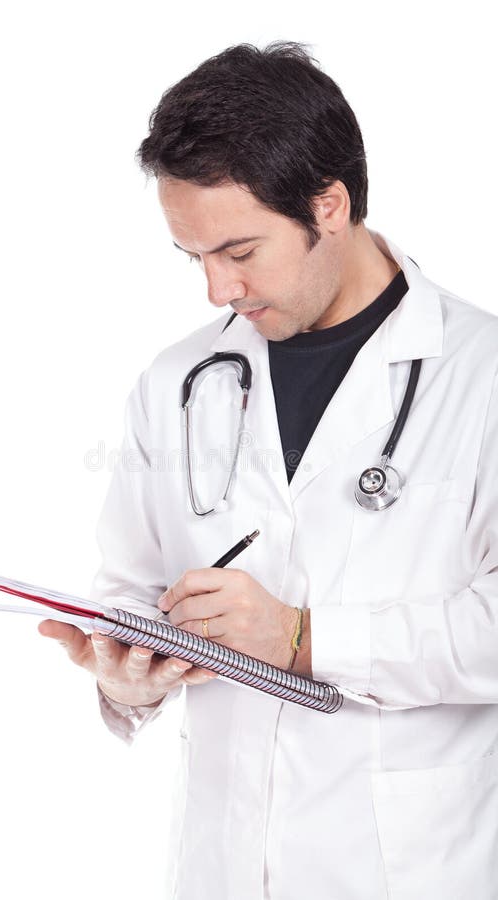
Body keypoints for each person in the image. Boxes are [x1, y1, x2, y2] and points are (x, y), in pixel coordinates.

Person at [39, 42, 498, 899]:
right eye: (195, 258)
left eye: (240, 251)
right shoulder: (178, 381)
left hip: (409, 867)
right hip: (222, 864)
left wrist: (303, 638)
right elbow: (132, 584)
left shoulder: (481, 375)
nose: (217, 291)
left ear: (329, 205)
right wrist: (127, 668)